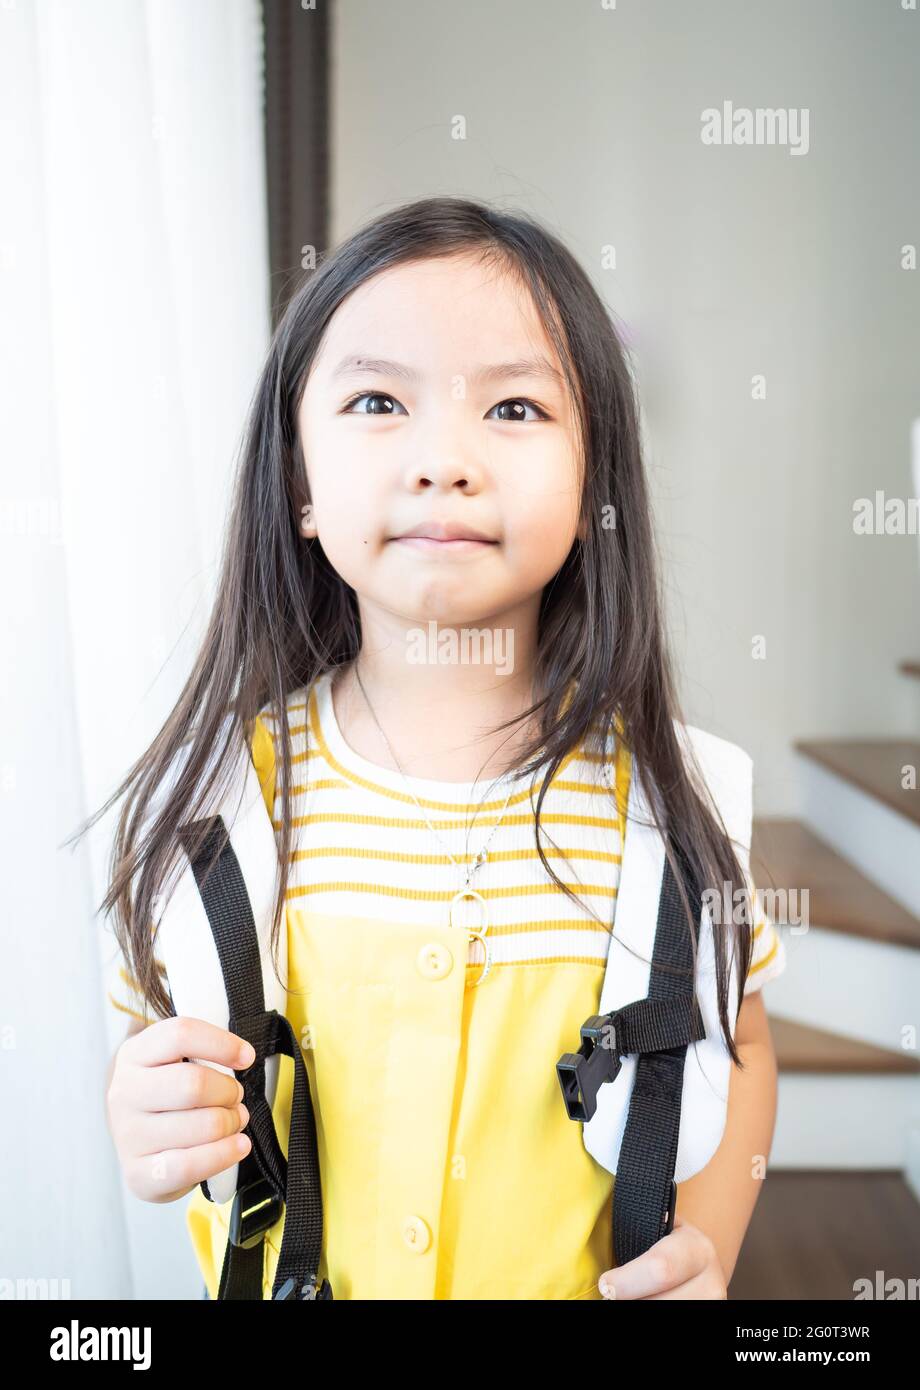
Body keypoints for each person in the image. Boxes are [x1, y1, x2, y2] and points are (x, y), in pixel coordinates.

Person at [90, 196, 785, 1300]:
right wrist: (144, 1114)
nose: (444, 459)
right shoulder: (217, 803)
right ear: (298, 484)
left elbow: (731, 1048)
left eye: (513, 408)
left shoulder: (672, 808)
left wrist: (701, 1243)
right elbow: (155, 1041)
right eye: (377, 401)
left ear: (591, 486)